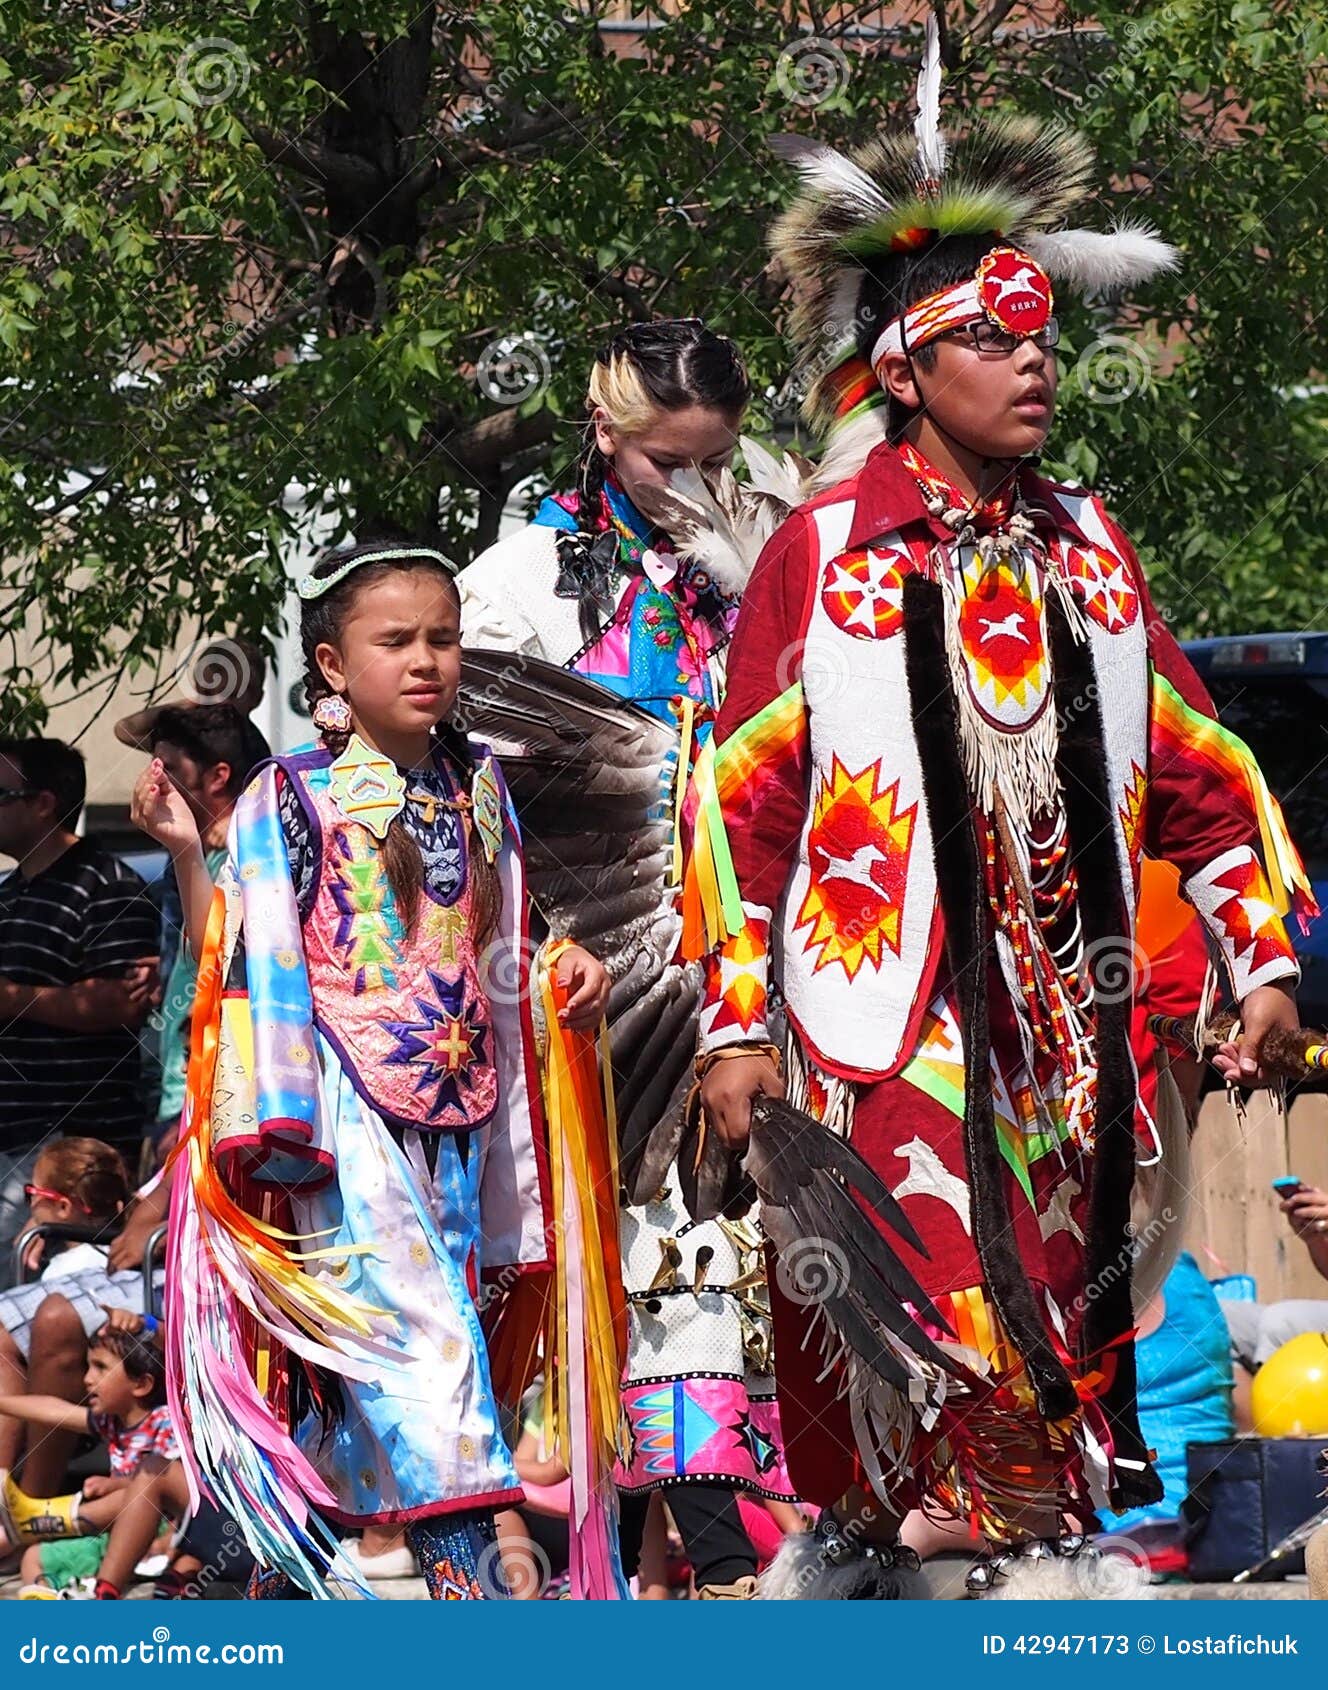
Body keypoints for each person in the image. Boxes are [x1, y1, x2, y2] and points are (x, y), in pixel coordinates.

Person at [684, 24, 1313, 1598]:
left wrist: (1266, 955)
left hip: (1068, 1015)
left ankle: (999, 1567)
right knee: (927, 1291)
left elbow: (1199, 768)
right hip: (876, 1007)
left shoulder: (1091, 549)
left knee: (1063, 1288)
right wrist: (734, 1023)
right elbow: (736, 801)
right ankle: (941, 1553)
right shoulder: (825, 551)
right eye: (996, 341)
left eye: (1044, 340)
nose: (1038, 365)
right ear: (906, 368)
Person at [136, 538, 618, 1600]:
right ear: (331, 665)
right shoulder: (289, 794)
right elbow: (256, 960)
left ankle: (246, 1587)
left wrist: (555, 963)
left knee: (386, 1378)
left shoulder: (479, 783)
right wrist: (277, 1128)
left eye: (441, 638)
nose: (425, 660)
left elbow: (493, 935)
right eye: (393, 640)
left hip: (460, 1117)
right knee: (422, 1360)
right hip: (338, 1118)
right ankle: (477, 1606)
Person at [461, 320, 798, 1599]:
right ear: (603, 434)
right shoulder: (520, 584)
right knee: (665, 1249)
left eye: (716, 461)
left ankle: (754, 1553)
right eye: (668, 463)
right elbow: (486, 809)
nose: (697, 490)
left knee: (784, 1253)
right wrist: (537, 949)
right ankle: (698, 1563)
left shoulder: (781, 545)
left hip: (783, 950)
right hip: (606, 973)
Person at [0, 738, 158, 1286]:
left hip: (68, 1146)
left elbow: (118, 1003)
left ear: (42, 803)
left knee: (36, 1311)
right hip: (13, 1134)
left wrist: (10, 998)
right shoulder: (9, 893)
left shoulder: (108, 886)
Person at [0, 1318, 186, 1600]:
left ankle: (41, 1517)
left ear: (141, 1384)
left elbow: (168, 1486)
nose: (87, 1379)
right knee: (33, 1558)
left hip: (160, 1531)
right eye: (88, 1366)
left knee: (128, 1495)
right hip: (114, 1539)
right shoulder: (111, 1423)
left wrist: (117, 1486)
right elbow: (53, 1410)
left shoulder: (165, 1422)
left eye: (100, 1367)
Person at [0, 1139, 141, 1498]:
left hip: (75, 1396)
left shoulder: (70, 1270)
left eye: (33, 1192)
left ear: (63, 1206)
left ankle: (8, 1483)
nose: (29, 1201)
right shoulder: (111, 1254)